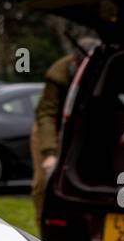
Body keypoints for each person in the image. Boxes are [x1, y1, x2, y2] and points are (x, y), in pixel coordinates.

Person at [31, 37, 98, 225]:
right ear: (75, 61)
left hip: (78, 128)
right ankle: (43, 229)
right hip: (50, 127)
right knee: (43, 182)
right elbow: (46, 114)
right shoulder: (58, 73)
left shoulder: (99, 68)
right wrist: (50, 153)